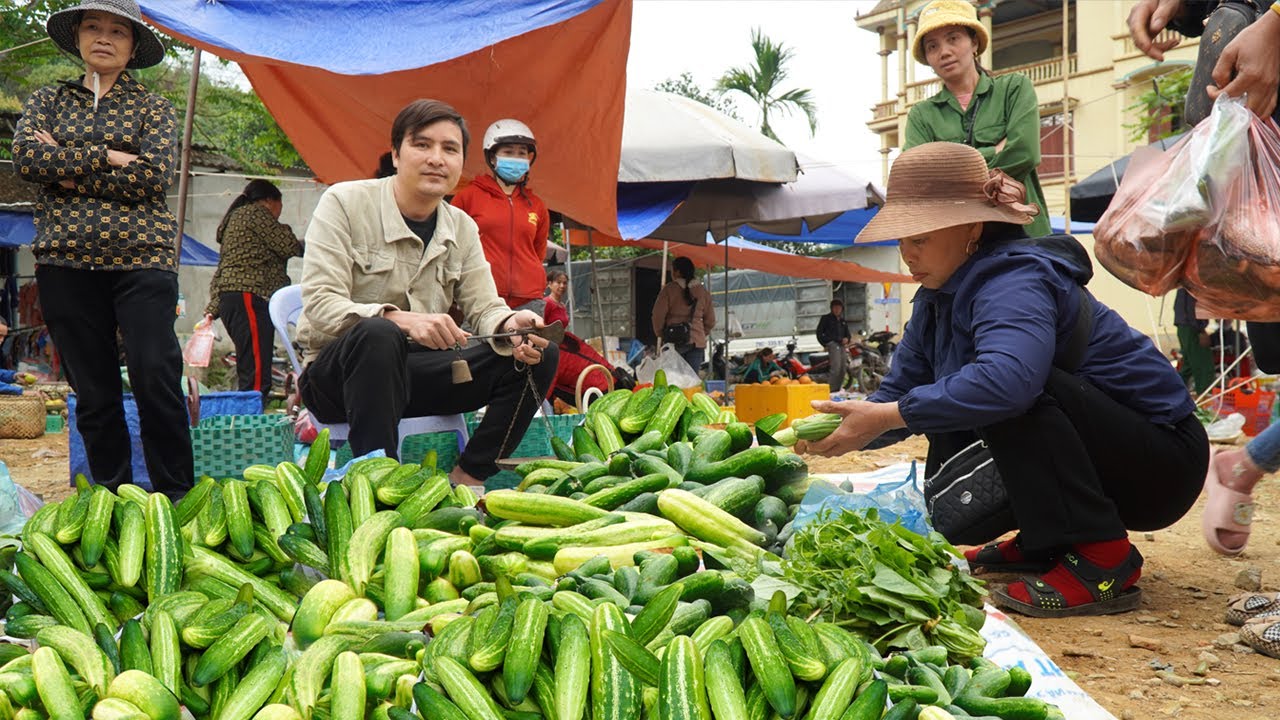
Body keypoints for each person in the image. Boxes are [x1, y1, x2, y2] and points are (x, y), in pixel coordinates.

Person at [799, 142, 1208, 618]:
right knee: (953, 397)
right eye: (902, 239)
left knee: (1005, 387)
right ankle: (1045, 540)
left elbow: (1010, 382)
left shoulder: (1014, 280)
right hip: (1107, 453)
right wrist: (846, 429)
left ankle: (1104, 560)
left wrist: (892, 413)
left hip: (1160, 464)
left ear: (972, 227)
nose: (907, 253)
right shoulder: (936, 299)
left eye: (921, 237)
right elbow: (898, 395)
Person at [296, 99, 557, 488]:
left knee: (541, 353)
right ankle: (380, 484)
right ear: (397, 154)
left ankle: (470, 475)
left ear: (460, 164)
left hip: (416, 378)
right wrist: (399, 319)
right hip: (339, 380)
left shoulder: (462, 227)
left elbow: (484, 306)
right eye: (422, 145)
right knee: (378, 334)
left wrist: (510, 323)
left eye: (450, 149)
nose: (437, 158)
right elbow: (319, 302)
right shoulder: (345, 203)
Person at [12, 0, 193, 499]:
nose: (104, 37)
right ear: (78, 37)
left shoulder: (154, 107)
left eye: (118, 30)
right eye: (93, 26)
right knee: (92, 391)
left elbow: (152, 176)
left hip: (142, 257)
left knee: (155, 374)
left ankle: (177, 495)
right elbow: (27, 158)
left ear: (134, 47)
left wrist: (67, 170)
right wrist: (109, 156)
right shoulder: (49, 98)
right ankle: (112, 497)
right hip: (64, 258)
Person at [904, 0, 1050, 238]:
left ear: (974, 42)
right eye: (932, 46)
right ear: (928, 59)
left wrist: (948, 172)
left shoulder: (1013, 88)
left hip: (1023, 236)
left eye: (953, 38)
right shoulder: (921, 115)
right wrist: (994, 151)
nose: (944, 52)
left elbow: (1025, 153)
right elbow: (916, 179)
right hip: (958, 244)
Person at [204, 180, 303, 404]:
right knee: (257, 376)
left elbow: (226, 270)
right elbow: (288, 245)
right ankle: (252, 428)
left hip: (232, 300)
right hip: (248, 297)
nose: (279, 213)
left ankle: (246, 419)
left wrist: (212, 309)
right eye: (280, 205)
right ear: (270, 201)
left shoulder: (236, 221)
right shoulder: (256, 214)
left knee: (250, 369)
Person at [451, 119, 551, 310]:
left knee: (525, 341)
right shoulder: (467, 197)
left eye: (522, 153)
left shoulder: (537, 206)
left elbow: (538, 252)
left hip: (529, 300)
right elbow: (452, 247)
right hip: (481, 297)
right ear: (493, 157)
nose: (516, 157)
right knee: (476, 341)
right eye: (508, 152)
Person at [652, 256, 716, 375]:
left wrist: (661, 333)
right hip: (696, 342)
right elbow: (711, 320)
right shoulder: (702, 291)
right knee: (692, 379)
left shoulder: (669, 290)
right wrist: (700, 333)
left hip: (673, 340)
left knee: (673, 380)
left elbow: (657, 315)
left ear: (677, 272)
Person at [1173, 288, 1213, 394]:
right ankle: (1204, 395)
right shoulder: (1193, 284)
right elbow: (1193, 308)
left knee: (1188, 364)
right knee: (1203, 363)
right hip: (1191, 326)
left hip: (1184, 326)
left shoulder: (1184, 284)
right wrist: (1201, 329)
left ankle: (1174, 391)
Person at [816, 299, 853, 393]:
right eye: (835, 308)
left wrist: (847, 339)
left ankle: (837, 389)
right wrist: (825, 343)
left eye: (839, 308)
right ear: (831, 308)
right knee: (835, 368)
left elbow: (848, 334)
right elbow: (819, 333)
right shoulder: (826, 318)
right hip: (833, 344)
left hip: (842, 346)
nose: (837, 310)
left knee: (843, 368)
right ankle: (830, 389)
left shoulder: (842, 321)